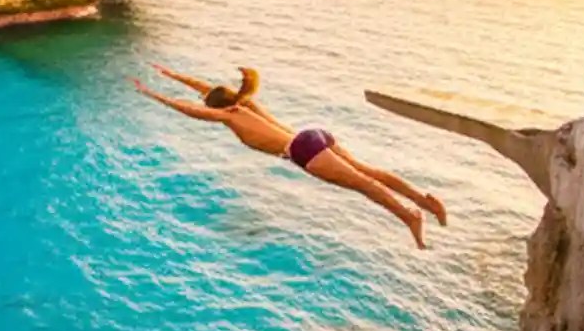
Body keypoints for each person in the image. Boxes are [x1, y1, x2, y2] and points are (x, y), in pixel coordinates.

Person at [131, 64, 447, 249]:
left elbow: (191, 109)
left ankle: (410, 216)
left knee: (363, 183)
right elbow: (206, 89)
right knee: (370, 172)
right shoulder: (242, 103)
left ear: (215, 107)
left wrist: (153, 94)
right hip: (313, 134)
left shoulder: (227, 114)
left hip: (301, 150)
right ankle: (424, 200)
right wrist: (171, 75)